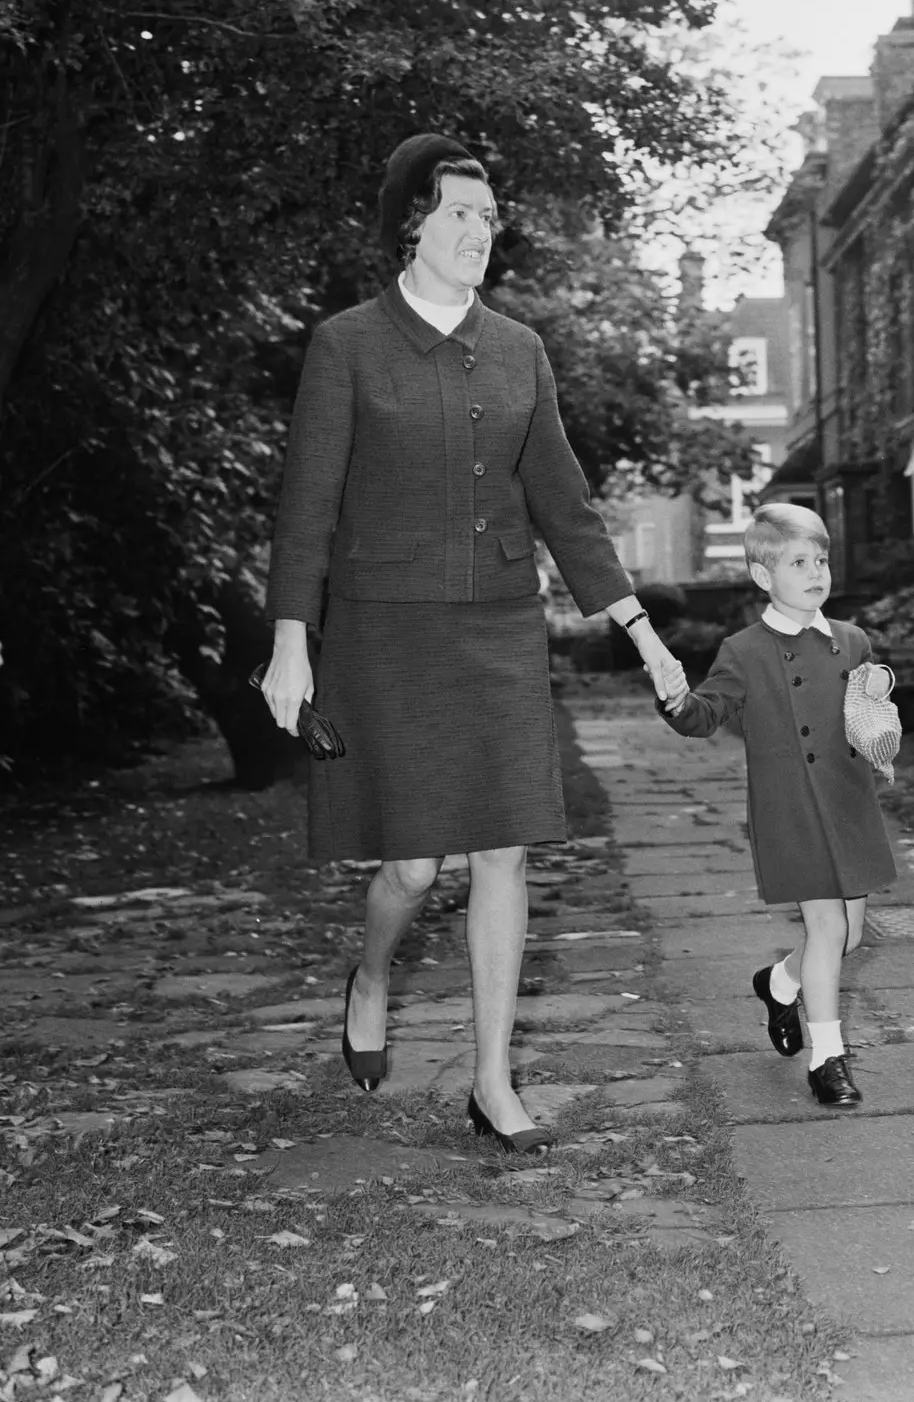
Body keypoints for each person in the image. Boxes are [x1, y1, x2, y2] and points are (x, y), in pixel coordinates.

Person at [259, 133, 688, 1151]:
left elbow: (567, 507)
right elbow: (306, 505)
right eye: (457, 213)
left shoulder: (519, 350)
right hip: (385, 629)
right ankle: (369, 976)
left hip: (498, 627)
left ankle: (493, 1081)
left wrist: (643, 633)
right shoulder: (347, 343)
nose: (476, 234)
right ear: (411, 221)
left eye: (488, 219)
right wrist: (289, 640)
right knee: (410, 869)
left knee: (503, 852)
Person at [658, 502, 896, 1107]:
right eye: (799, 562)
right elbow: (706, 713)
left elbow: (866, 712)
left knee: (849, 936)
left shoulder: (852, 640)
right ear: (764, 576)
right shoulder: (745, 650)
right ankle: (828, 1058)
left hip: (847, 802)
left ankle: (779, 982)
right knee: (826, 926)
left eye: (821, 560)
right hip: (791, 808)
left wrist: (880, 720)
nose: (816, 573)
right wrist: (677, 701)